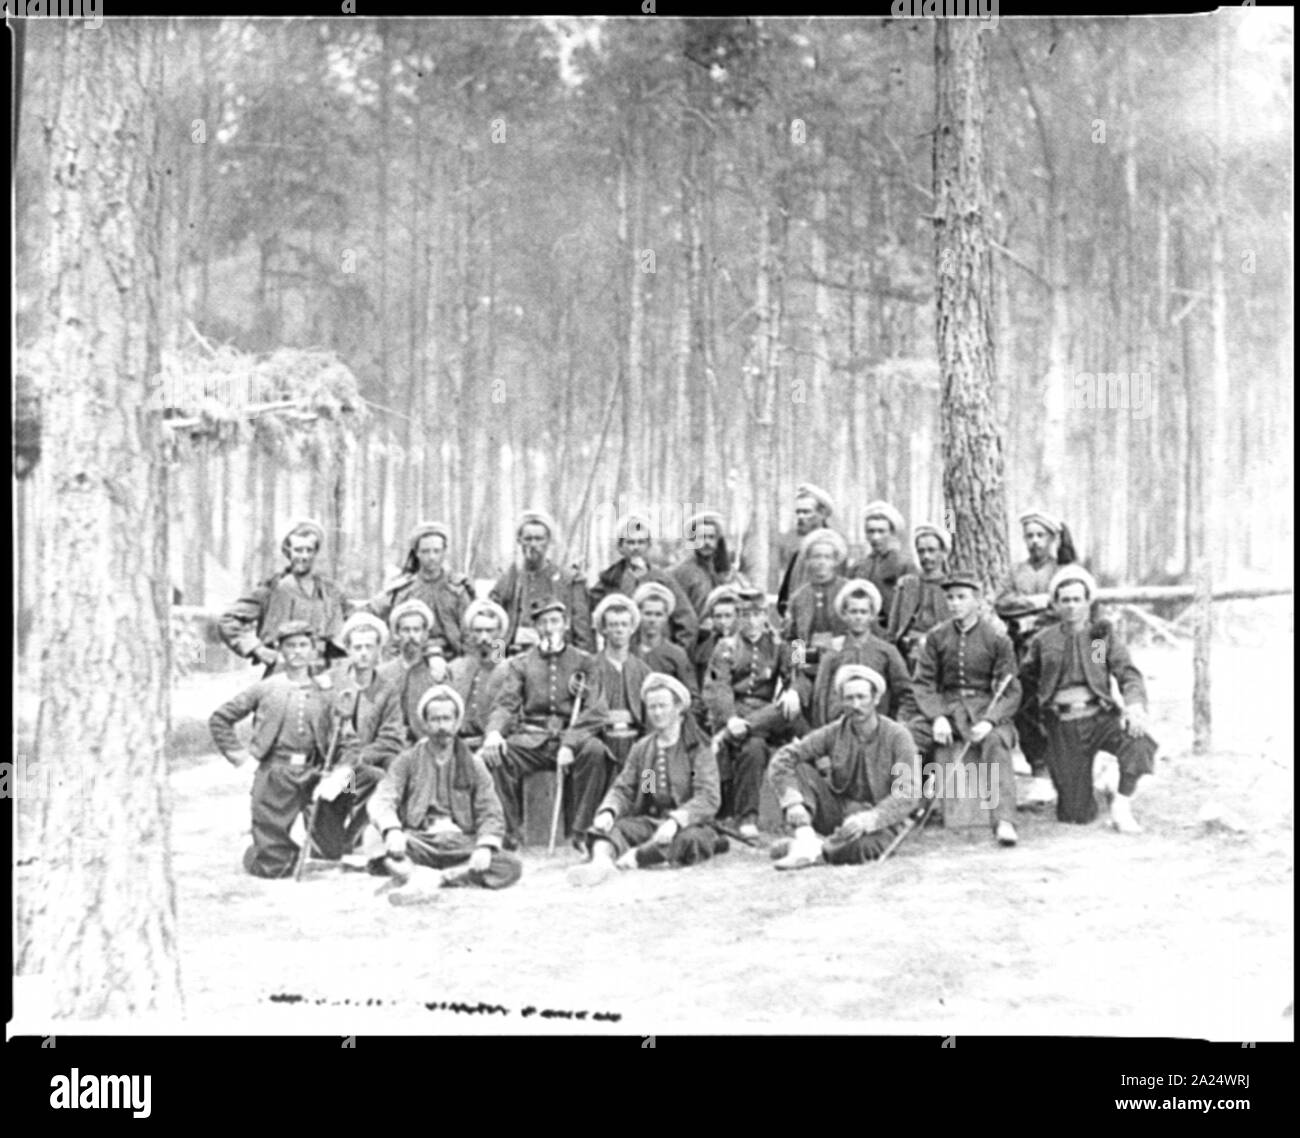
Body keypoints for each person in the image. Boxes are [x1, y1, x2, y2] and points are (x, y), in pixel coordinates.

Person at [210, 620, 365, 877]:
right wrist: (240, 756)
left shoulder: (326, 692)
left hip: (316, 772)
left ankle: (333, 844)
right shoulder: (266, 688)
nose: (297, 651)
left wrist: (340, 773)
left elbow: (349, 741)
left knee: (329, 850)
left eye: (304, 645)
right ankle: (267, 854)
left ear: (313, 650)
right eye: (290, 645)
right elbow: (220, 718)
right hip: (275, 773)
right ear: (280, 650)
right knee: (272, 866)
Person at [1018, 565, 1157, 833]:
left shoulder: (1097, 638)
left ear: (1088, 601)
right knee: (1075, 814)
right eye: (1065, 600)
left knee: (1139, 741)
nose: (1071, 607)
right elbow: (1023, 685)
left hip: (1099, 718)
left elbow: (1124, 672)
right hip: (1063, 725)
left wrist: (1134, 706)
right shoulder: (1043, 641)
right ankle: (1095, 778)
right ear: (1055, 604)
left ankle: (1121, 801)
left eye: (1077, 599)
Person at [369, 685, 524, 902]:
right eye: (435, 719)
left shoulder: (474, 764)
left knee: (510, 865)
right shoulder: (407, 760)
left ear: (457, 722)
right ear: (425, 723)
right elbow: (384, 797)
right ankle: (421, 876)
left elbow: (490, 810)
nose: (442, 726)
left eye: (447, 719)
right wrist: (392, 829)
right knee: (375, 839)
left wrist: (485, 846)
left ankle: (433, 878)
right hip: (420, 840)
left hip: (460, 842)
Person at [571, 674, 725, 885]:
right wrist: (609, 811)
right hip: (651, 822)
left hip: (690, 825)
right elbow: (627, 789)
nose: (657, 713)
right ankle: (601, 863)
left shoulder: (697, 749)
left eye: (663, 706)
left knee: (689, 840)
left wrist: (675, 821)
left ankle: (639, 856)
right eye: (652, 707)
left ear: (678, 708)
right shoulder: (644, 749)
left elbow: (708, 798)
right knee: (611, 829)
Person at [480, 598, 610, 848]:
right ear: (536, 628)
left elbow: (596, 710)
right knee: (496, 757)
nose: (549, 628)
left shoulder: (585, 662)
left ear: (566, 625)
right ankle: (509, 832)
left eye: (555, 621)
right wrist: (495, 732)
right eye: (543, 622)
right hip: (533, 740)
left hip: (571, 735)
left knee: (596, 751)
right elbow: (506, 704)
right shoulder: (520, 663)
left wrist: (570, 744)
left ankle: (582, 831)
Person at [908, 570, 1023, 847]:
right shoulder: (937, 638)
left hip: (983, 709)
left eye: (961, 597)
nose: (954, 603)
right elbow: (923, 682)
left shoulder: (997, 639)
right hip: (946, 709)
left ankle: (1003, 819)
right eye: (949, 598)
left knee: (996, 743)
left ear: (977, 600)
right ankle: (908, 807)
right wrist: (937, 717)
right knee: (906, 737)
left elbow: (1010, 688)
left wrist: (991, 720)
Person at [768, 666, 921, 870]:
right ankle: (806, 839)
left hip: (879, 821)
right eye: (849, 698)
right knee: (801, 767)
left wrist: (870, 819)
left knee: (862, 848)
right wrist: (793, 802)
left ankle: (814, 849)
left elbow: (907, 792)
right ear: (841, 701)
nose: (855, 705)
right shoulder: (833, 732)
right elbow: (784, 757)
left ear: (876, 700)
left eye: (861, 697)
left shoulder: (898, 737)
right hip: (839, 811)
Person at [702, 585, 804, 839]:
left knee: (786, 708)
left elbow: (800, 674)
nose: (752, 620)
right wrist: (731, 718)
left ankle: (738, 732)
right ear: (738, 616)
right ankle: (747, 816)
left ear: (766, 614)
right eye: (745, 614)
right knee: (754, 747)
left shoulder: (784, 642)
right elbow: (720, 687)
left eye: (757, 614)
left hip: (767, 713)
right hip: (736, 712)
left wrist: (794, 690)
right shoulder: (725, 646)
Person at [995, 508, 1080, 807]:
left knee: (1057, 707)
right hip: (1022, 651)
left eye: (1040, 535)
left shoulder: (1062, 570)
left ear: (1052, 538)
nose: (1034, 542)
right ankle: (1039, 770)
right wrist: (1033, 602)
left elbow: (1065, 606)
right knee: (1026, 708)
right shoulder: (1016, 571)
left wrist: (1045, 611)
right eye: (1029, 536)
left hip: (1056, 649)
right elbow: (1002, 603)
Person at [218, 519, 350, 674]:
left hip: (323, 671)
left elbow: (356, 619)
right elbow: (228, 620)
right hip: (282, 671)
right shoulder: (271, 590)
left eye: (309, 550)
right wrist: (256, 648)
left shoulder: (331, 591)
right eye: (298, 550)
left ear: (315, 553)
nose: (304, 556)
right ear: (289, 551)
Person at [579, 593, 654, 833]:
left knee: (650, 765)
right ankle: (587, 825)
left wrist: (651, 742)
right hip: (604, 737)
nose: (619, 630)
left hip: (634, 739)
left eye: (624, 625)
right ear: (603, 630)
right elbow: (586, 709)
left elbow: (650, 714)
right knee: (595, 755)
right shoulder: (591, 665)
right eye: (613, 625)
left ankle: (647, 816)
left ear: (632, 629)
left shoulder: (642, 669)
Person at [365, 521, 475, 661]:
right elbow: (376, 618)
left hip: (452, 661)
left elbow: (471, 636)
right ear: (416, 553)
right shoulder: (403, 591)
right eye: (425, 551)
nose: (432, 557)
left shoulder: (458, 590)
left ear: (444, 552)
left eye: (436, 551)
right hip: (412, 661)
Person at [810, 579, 912, 726]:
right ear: (844, 614)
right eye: (853, 611)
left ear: (872, 615)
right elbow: (820, 695)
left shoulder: (887, 651)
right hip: (839, 725)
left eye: (863, 612)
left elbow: (905, 692)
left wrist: (899, 722)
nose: (858, 617)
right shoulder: (832, 650)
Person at [590, 513, 698, 652]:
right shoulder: (610, 580)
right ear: (620, 546)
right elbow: (590, 613)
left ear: (648, 545)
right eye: (630, 542)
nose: (635, 547)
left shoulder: (663, 580)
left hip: (657, 655)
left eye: (641, 542)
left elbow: (686, 619)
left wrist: (676, 653)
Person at [489, 508, 593, 652]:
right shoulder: (508, 580)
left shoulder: (567, 581)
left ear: (549, 541)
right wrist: (497, 664)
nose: (533, 544)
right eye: (528, 539)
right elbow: (494, 628)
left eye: (539, 539)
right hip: (514, 658)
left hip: (555, 658)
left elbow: (582, 633)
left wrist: (581, 667)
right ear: (519, 541)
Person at [783, 527, 851, 702]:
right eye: (816, 557)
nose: (821, 562)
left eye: (827, 557)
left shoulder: (848, 590)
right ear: (808, 561)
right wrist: (799, 661)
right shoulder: (799, 597)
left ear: (835, 561)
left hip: (843, 665)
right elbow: (792, 637)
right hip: (809, 667)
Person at [376, 599, 449, 743]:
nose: (411, 636)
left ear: (425, 635)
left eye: (416, 630)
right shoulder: (382, 674)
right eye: (406, 630)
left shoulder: (436, 673)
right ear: (396, 634)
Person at [887, 521, 953, 671]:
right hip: (908, 651)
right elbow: (893, 629)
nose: (926, 556)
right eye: (921, 551)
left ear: (943, 552)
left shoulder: (952, 588)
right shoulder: (907, 584)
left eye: (931, 550)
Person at [845, 500, 919, 633]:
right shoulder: (857, 567)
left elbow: (910, 606)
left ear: (892, 532)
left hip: (891, 632)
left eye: (881, 531)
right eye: (871, 531)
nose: (875, 537)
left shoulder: (904, 565)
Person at [447, 599, 509, 751]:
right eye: (478, 631)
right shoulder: (455, 668)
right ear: (470, 632)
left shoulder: (509, 670)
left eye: (489, 631)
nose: (484, 638)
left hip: (491, 746)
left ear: (500, 633)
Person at [774, 482, 842, 617]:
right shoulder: (798, 554)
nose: (800, 517)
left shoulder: (836, 552)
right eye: (798, 512)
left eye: (806, 512)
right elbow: (784, 600)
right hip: (798, 633)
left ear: (822, 514)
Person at [631, 581, 702, 709]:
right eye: (648, 614)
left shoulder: (676, 655)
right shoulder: (628, 651)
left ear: (666, 618)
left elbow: (692, 697)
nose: (652, 620)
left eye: (658, 614)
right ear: (639, 615)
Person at [671, 509, 738, 617]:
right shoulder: (682, 572)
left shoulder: (720, 571)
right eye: (702, 537)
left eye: (711, 537)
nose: (707, 542)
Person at [690, 584, 741, 686]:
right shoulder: (703, 649)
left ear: (737, 616)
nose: (723, 621)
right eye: (718, 616)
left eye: (728, 616)